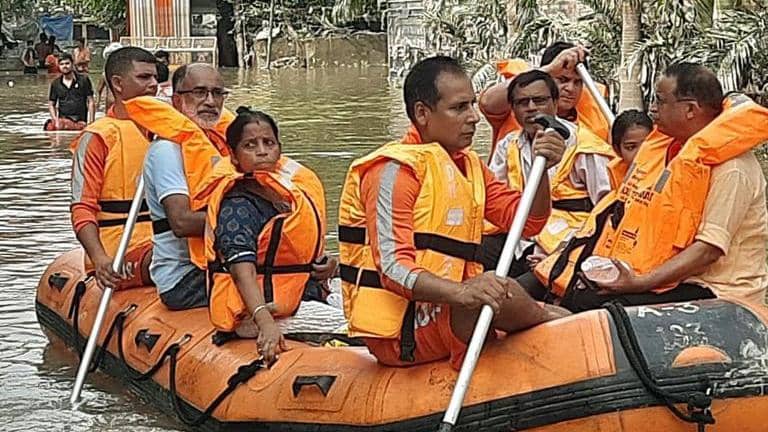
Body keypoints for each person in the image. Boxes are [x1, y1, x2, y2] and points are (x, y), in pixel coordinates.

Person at [338, 56, 569, 371]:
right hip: (404, 329)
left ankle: (555, 324)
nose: (474, 117)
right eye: (460, 108)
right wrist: (462, 292)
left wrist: (543, 171)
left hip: (452, 307)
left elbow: (528, 222)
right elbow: (393, 268)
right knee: (496, 291)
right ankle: (547, 320)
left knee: (501, 291)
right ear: (422, 113)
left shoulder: (468, 164)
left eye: (473, 104)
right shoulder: (392, 171)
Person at [531, 63, 768, 310]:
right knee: (577, 288)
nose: (652, 109)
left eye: (660, 100)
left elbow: (708, 250)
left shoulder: (733, 169)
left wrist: (638, 283)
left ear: (690, 109)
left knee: (597, 305)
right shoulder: (670, 150)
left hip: (717, 289)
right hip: (677, 276)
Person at [201, 108, 337, 362]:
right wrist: (266, 324)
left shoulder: (285, 194)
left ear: (279, 148)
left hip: (299, 297)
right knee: (351, 322)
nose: (262, 151)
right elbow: (243, 273)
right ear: (233, 155)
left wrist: (329, 265)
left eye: (269, 143)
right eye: (250, 145)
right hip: (260, 311)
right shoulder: (237, 206)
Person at [482, 70, 614, 276]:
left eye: (540, 100)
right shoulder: (507, 145)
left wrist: (567, 252)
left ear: (555, 103)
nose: (531, 108)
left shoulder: (586, 147)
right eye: (522, 102)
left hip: (566, 247)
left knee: (513, 294)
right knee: (468, 252)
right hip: (518, 240)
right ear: (514, 109)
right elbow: (490, 196)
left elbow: (609, 211)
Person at [128, 63, 235, 310]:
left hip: (222, 266)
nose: (210, 101)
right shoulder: (167, 150)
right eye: (199, 92)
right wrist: (251, 223)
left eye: (217, 93)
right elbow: (181, 222)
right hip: (184, 278)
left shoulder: (224, 146)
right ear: (177, 101)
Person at [69, 46, 159, 291]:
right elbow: (82, 208)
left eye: (155, 77)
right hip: (120, 247)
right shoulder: (97, 137)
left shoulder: (170, 133)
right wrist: (99, 259)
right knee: (169, 261)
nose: (154, 84)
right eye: (144, 77)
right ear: (118, 84)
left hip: (163, 241)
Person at [480, 42, 610, 156]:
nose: (570, 88)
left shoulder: (599, 112)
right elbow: (487, 102)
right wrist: (548, 70)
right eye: (562, 80)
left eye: (577, 82)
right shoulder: (520, 103)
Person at [46, 53, 95, 131]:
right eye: (62, 64)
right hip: (63, 122)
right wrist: (55, 120)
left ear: (72, 64)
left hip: (80, 121)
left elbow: (91, 101)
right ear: (58, 66)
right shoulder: (55, 83)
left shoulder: (83, 80)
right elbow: (51, 104)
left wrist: (92, 122)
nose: (65, 66)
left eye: (67, 63)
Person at [607, 109, 652, 188]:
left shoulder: (666, 171)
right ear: (617, 150)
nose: (640, 153)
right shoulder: (611, 176)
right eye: (631, 147)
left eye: (645, 146)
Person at [96, 43, 123, 113]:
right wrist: (97, 103)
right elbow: (99, 89)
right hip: (110, 106)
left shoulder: (126, 74)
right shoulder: (105, 74)